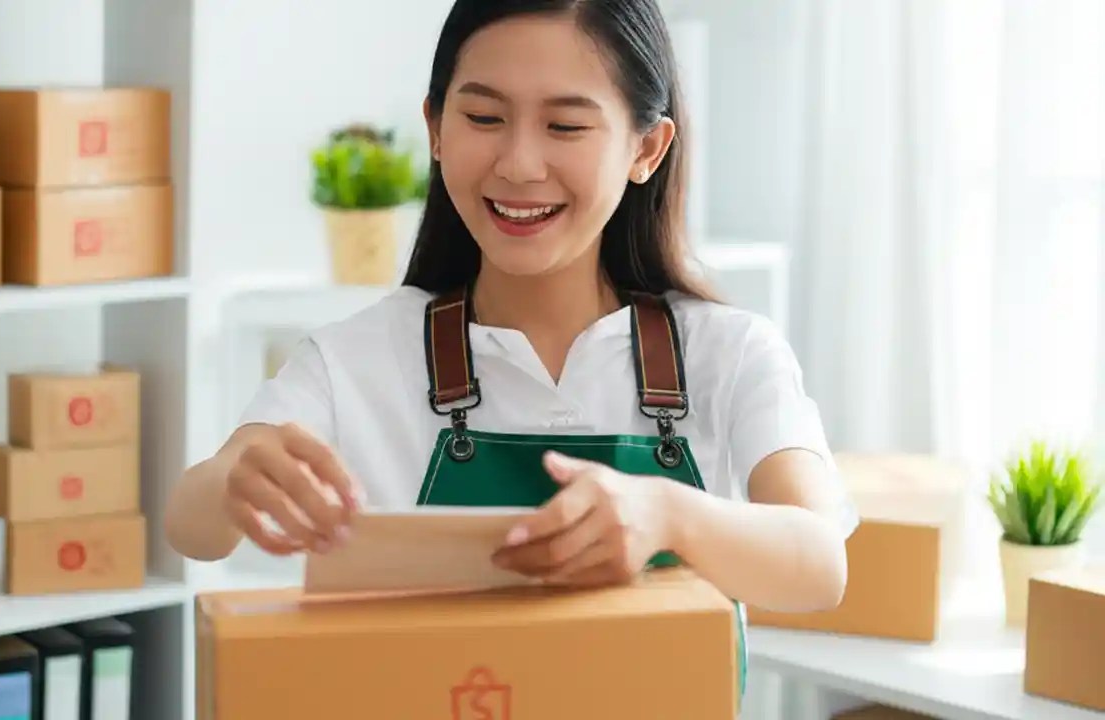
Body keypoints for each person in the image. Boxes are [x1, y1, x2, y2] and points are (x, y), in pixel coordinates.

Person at [166, 0, 857, 670]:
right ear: (436, 129)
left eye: (565, 126)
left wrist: (670, 514)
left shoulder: (731, 353)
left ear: (646, 148)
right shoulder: (353, 359)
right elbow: (189, 525)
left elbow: (820, 563)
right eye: (484, 117)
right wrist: (237, 483)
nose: (520, 163)